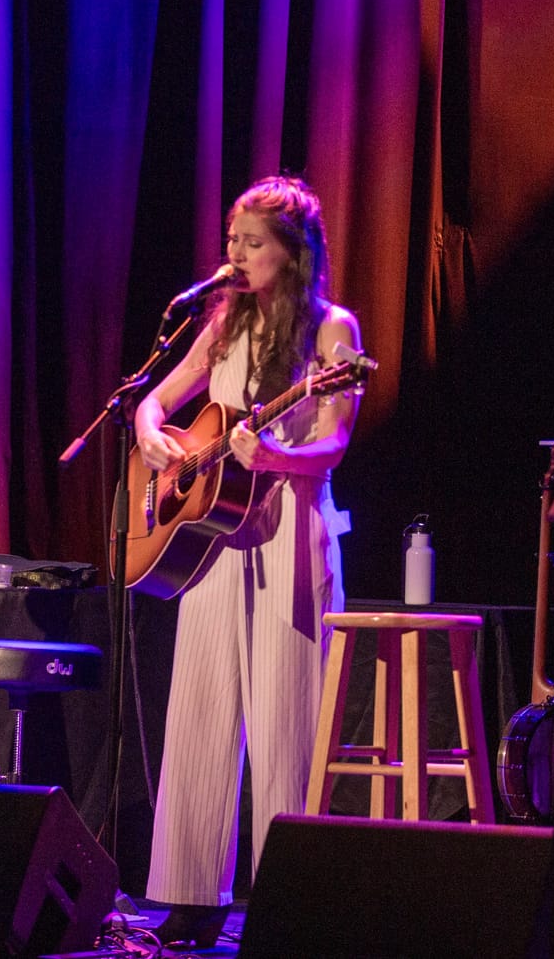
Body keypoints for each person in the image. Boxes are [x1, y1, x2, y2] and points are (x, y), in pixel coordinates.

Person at [136, 175, 360, 945]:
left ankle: (286, 895)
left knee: (283, 712)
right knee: (198, 703)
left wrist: (273, 453)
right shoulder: (223, 323)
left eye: (252, 243)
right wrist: (150, 433)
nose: (234, 254)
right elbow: (154, 399)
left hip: (291, 530)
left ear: (292, 252)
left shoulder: (332, 332)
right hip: (213, 537)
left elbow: (334, 439)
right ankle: (192, 896)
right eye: (231, 239)